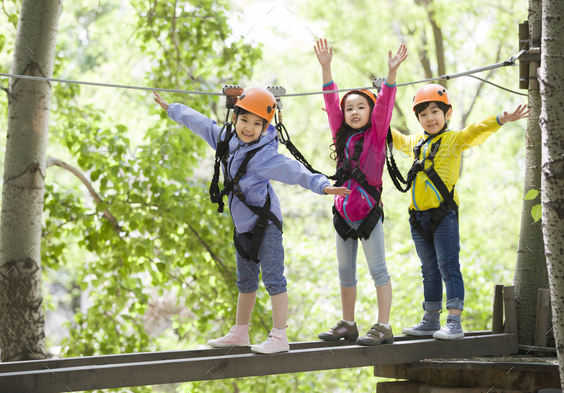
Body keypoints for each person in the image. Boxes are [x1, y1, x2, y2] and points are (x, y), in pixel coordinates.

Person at [153, 87, 349, 354]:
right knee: (245, 283)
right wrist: (174, 109)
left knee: (273, 279)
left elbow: (294, 171)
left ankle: (279, 336)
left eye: (257, 124)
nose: (249, 127)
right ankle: (240, 333)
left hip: (265, 225)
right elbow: (201, 123)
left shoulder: (264, 156)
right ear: (235, 119)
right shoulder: (226, 140)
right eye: (245, 120)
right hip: (243, 227)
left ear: (265, 127)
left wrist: (323, 185)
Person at [387, 84, 529, 339]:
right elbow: (394, 137)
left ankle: (454, 321)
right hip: (418, 218)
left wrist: (501, 119)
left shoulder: (453, 140)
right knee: (428, 270)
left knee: (448, 266)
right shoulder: (415, 142)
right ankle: (430, 319)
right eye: (423, 115)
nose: (429, 118)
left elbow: (475, 131)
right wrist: (369, 116)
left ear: (447, 113)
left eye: (434, 112)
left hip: (443, 217)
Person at [314, 38, 407, 346]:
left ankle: (383, 326)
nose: (354, 112)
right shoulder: (340, 136)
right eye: (349, 108)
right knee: (345, 274)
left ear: (370, 112)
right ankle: (348, 324)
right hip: (342, 212)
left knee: (378, 270)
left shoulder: (377, 136)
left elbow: (385, 106)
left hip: (368, 214)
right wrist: (326, 67)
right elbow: (331, 105)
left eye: (361, 107)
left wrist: (391, 76)